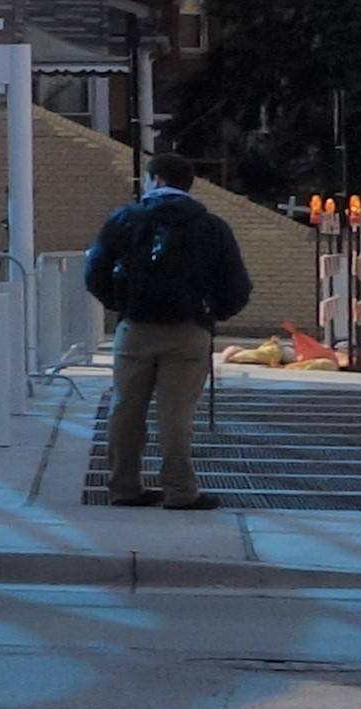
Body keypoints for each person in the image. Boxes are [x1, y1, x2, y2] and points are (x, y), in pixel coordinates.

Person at [86, 156, 252, 511]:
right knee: (176, 415)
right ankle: (180, 491)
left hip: (135, 329)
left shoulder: (124, 220)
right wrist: (212, 314)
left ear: (155, 180)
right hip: (189, 331)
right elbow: (237, 285)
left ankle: (124, 487)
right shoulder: (212, 227)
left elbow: (94, 270)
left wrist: (122, 304)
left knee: (126, 409)